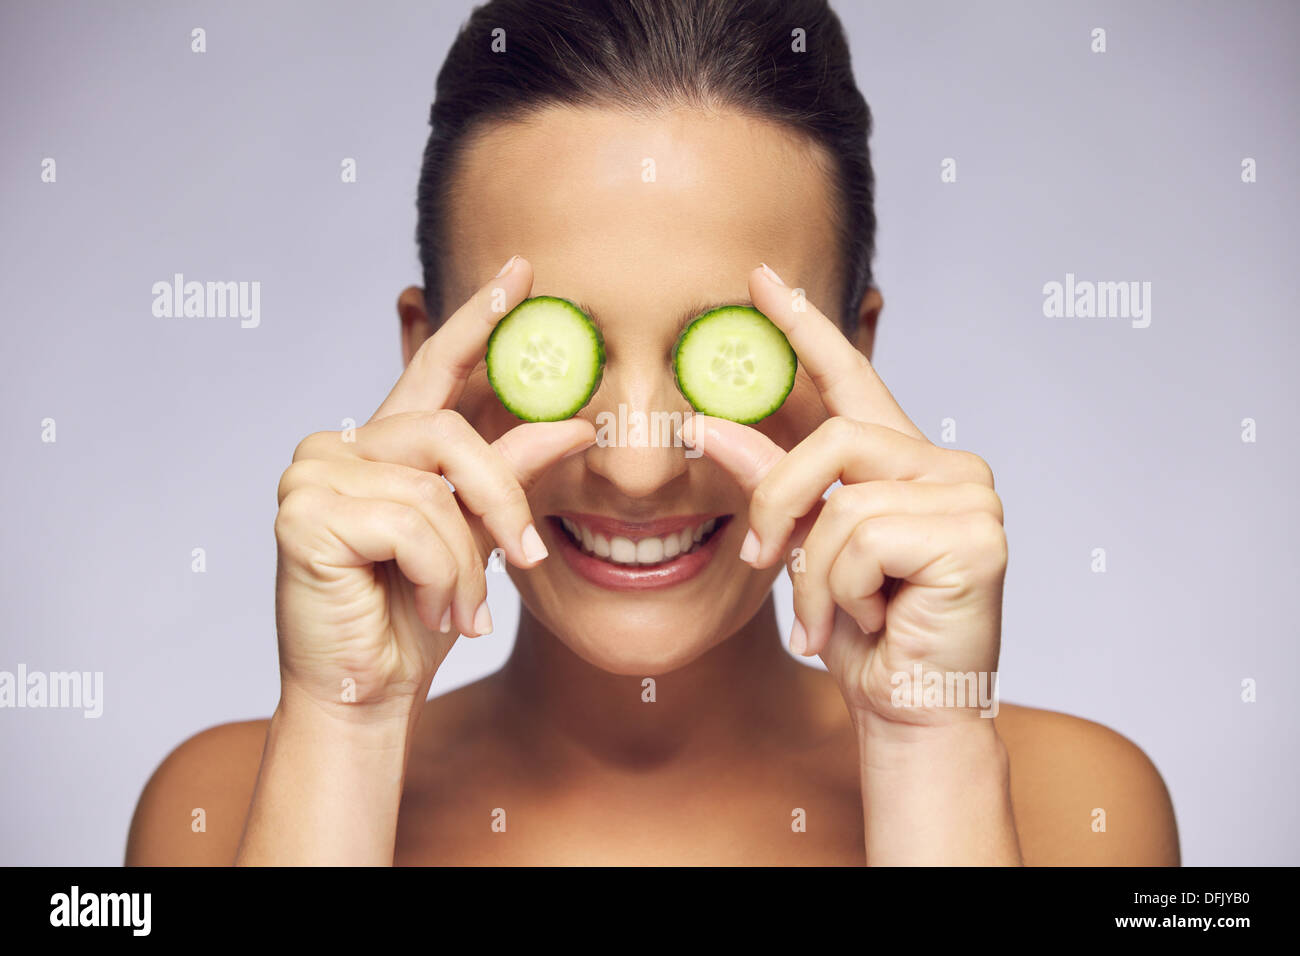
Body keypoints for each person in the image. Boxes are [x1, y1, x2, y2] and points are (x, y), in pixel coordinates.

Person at [126, 0, 1179, 865]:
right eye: (549, 358)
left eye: (724, 358)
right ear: (427, 363)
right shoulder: (218, 811)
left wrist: (928, 751)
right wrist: (345, 728)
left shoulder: (1075, 810)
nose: (633, 466)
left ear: (849, 364)